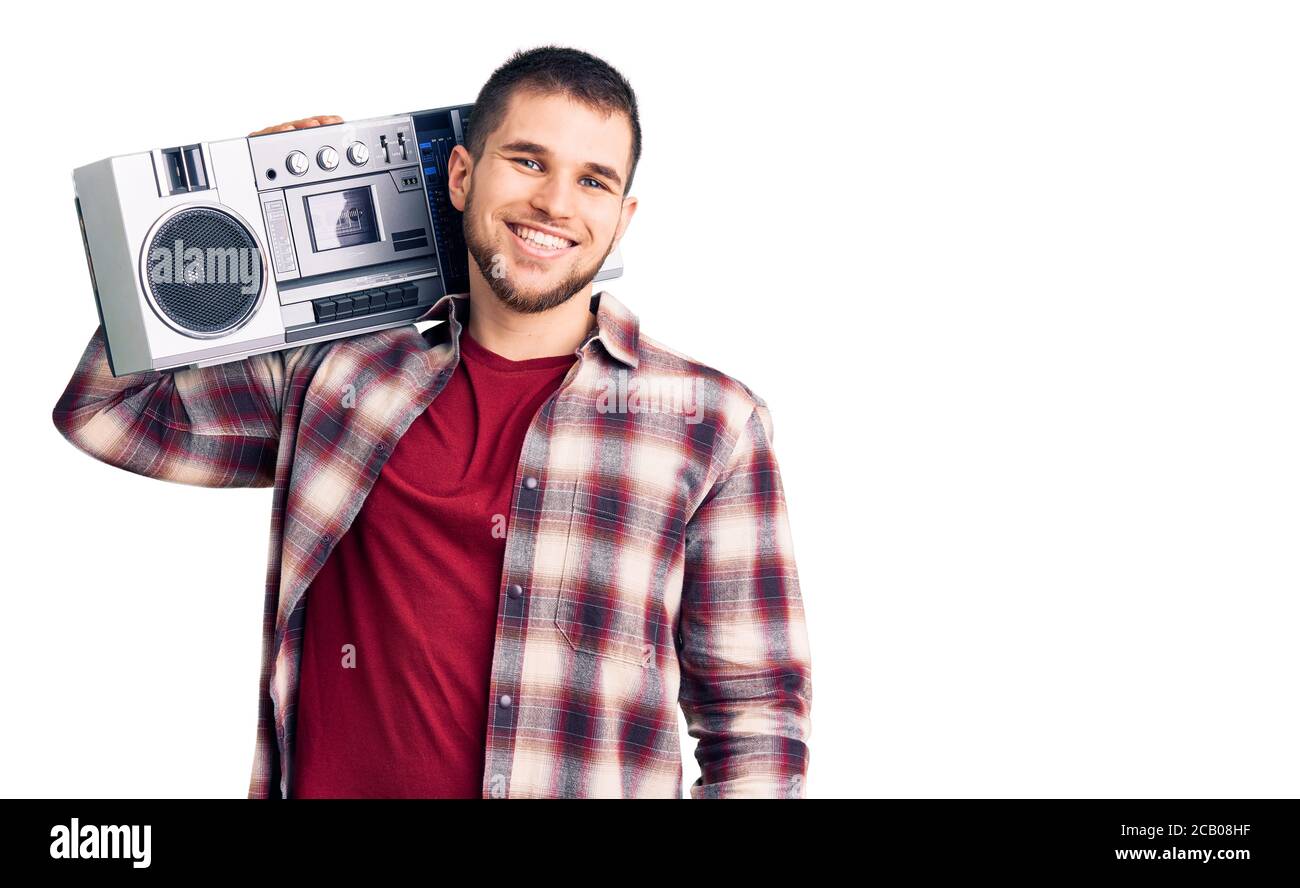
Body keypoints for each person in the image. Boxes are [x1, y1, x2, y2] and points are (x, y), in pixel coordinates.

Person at [53, 45, 812, 798]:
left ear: (622, 217)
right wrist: (218, 227)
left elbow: (757, 722)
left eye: (593, 180)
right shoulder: (338, 379)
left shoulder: (710, 423)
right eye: (527, 160)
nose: (555, 202)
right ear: (460, 175)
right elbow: (106, 412)